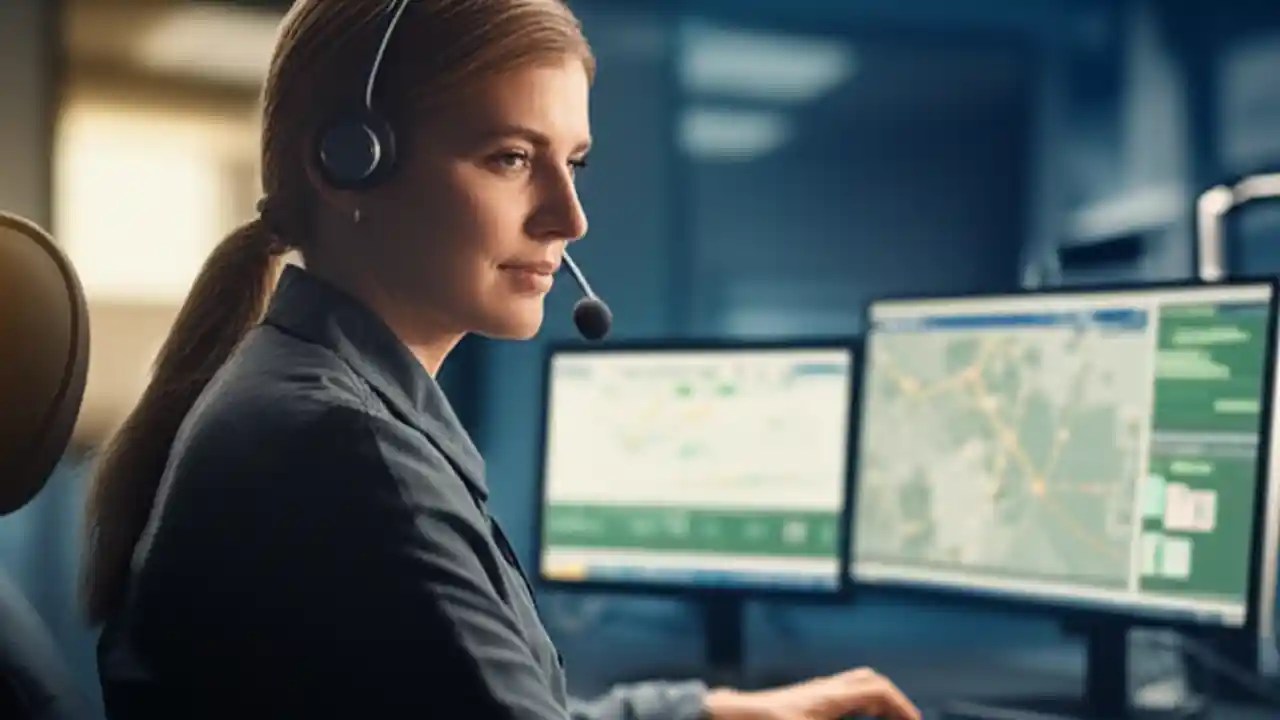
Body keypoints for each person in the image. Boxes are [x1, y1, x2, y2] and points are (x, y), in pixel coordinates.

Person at [80, 1, 923, 719]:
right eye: (511, 158)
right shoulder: (347, 452)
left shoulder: (314, 399)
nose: (569, 217)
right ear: (348, 164)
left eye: (575, 162)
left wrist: (719, 709)